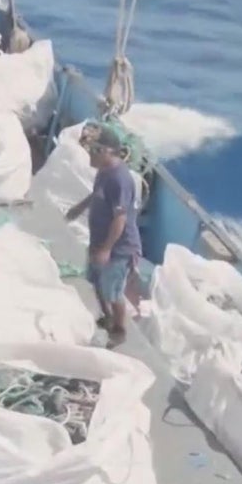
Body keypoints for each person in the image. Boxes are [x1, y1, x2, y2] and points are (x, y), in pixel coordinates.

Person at [64, 124, 142, 346]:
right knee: (96, 283)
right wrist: (79, 207)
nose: (88, 154)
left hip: (118, 249)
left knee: (113, 291)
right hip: (98, 242)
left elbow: (120, 218)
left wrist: (107, 249)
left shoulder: (120, 180)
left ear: (106, 151)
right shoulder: (104, 172)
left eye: (93, 150)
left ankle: (119, 329)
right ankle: (106, 318)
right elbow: (97, 194)